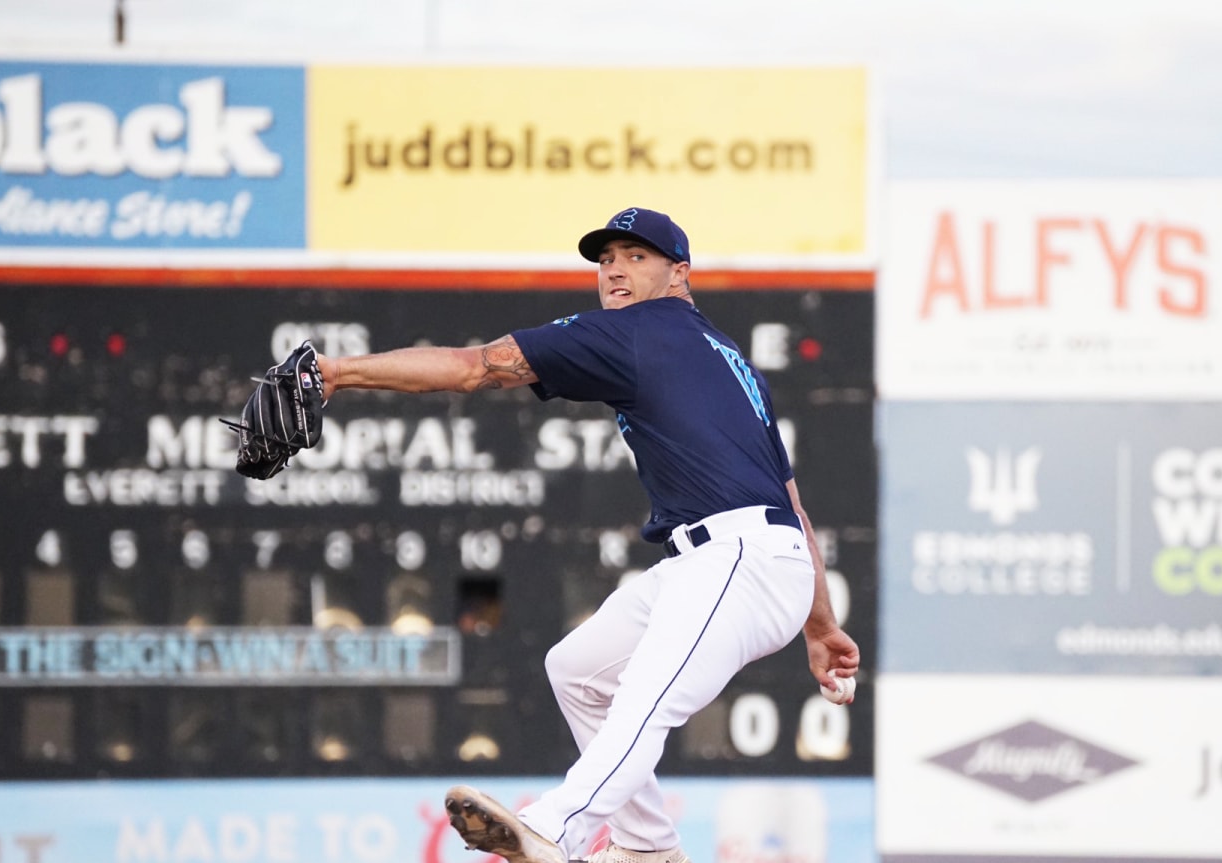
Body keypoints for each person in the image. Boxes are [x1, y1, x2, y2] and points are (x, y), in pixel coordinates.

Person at [315, 206, 860, 863]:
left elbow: (476, 366)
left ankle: (554, 825)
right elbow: (795, 506)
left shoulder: (639, 332)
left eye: (636, 255)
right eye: (605, 259)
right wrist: (820, 624)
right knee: (576, 669)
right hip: (738, 559)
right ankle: (646, 848)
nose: (614, 270)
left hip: (741, 559)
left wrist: (336, 373)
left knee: (644, 696)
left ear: (678, 272)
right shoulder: (730, 360)